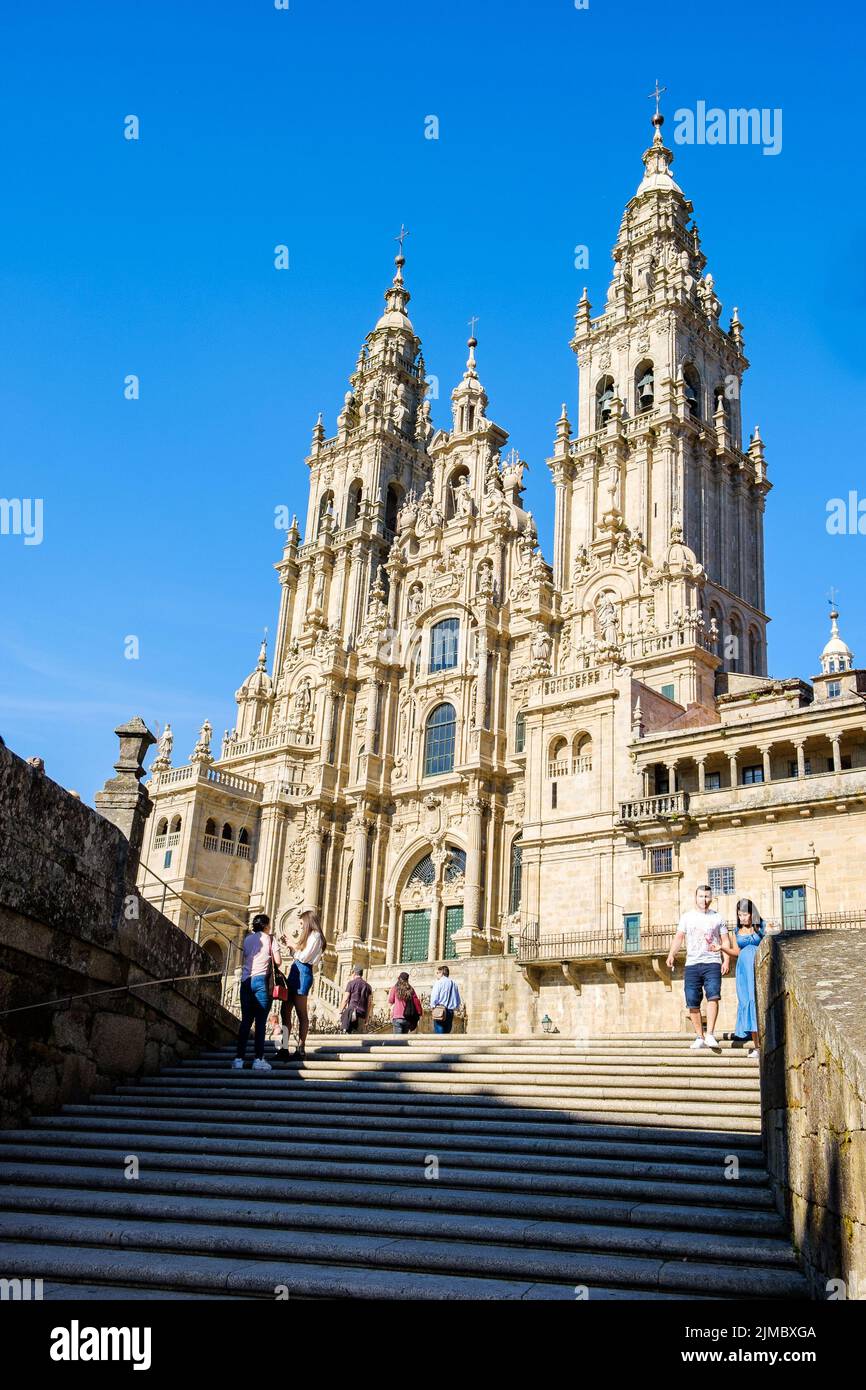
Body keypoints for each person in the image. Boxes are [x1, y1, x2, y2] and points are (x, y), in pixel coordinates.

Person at [666, 884, 732, 1051]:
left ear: (711, 898)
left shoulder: (718, 917)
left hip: (712, 962)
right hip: (692, 964)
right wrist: (671, 954)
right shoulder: (687, 917)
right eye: (701, 896)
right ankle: (699, 1036)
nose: (705, 900)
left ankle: (709, 1034)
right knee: (692, 1002)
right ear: (696, 898)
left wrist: (726, 960)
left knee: (713, 996)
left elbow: (725, 940)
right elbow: (679, 937)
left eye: (707, 897)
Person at [711, 899, 765, 1059]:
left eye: (745, 914)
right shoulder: (736, 931)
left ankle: (765, 1044)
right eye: (739, 915)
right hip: (743, 970)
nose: (742, 918)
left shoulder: (761, 926)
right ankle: (757, 1046)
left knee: (759, 1002)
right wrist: (722, 948)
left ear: (752, 913)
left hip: (759, 966)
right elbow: (737, 951)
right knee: (748, 1002)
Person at [233, 913, 281, 1071]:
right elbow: (278, 962)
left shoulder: (247, 939)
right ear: (266, 925)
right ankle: (258, 1059)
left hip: (246, 981)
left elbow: (247, 956)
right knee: (260, 1022)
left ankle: (238, 1059)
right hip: (261, 982)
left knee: (246, 1021)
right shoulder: (270, 939)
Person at [278, 906, 326, 1059]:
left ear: (308, 922)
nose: (300, 926)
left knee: (301, 1012)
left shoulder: (316, 936)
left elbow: (304, 958)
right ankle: (284, 1047)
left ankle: (301, 1047)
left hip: (304, 974)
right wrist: (289, 946)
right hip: (295, 972)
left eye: (301, 923)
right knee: (284, 1011)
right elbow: (298, 955)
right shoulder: (309, 936)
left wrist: (292, 945)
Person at [340, 965, 373, 1034]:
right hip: (362, 1014)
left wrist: (341, 1010)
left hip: (351, 1013)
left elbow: (345, 999)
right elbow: (369, 1004)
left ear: (354, 973)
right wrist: (367, 1017)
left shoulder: (351, 983)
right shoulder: (368, 986)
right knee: (358, 1037)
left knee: (349, 1037)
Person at [429, 965, 460, 1034]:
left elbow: (434, 996)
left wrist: (432, 1006)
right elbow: (458, 1000)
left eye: (437, 973)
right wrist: (456, 1007)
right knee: (446, 1034)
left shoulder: (439, 982)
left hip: (440, 1010)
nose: (437, 975)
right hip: (450, 1011)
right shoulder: (454, 984)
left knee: (439, 1035)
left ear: (441, 973)